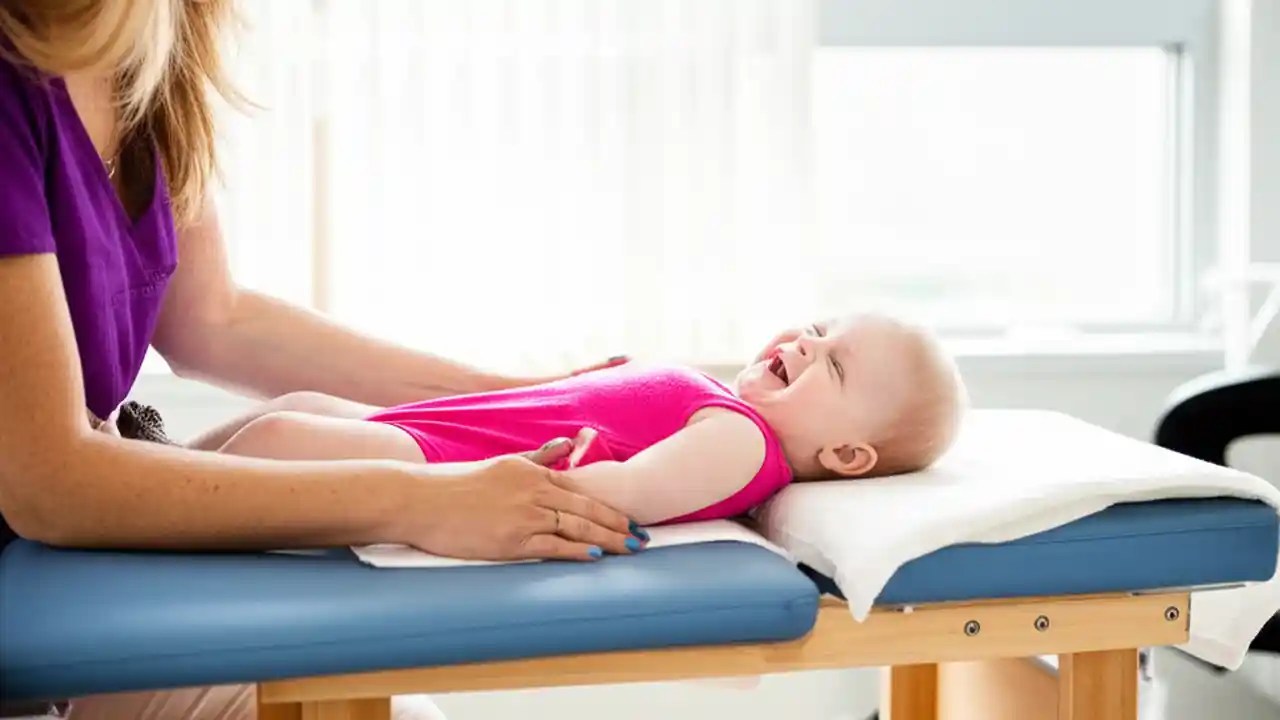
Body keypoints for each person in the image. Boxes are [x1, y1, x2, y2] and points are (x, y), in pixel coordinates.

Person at [0, 1, 645, 718]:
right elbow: (47, 481)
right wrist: (420, 502)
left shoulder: (149, 53)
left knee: (303, 433)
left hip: (71, 569)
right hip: (36, 587)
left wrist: (505, 397)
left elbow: (214, 320)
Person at [210, 313, 968, 526]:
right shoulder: (729, 406)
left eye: (832, 364)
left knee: (282, 437)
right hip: (448, 423)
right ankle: (153, 467)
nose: (806, 342)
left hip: (456, 459)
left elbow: (627, 491)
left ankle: (149, 519)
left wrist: (578, 476)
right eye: (819, 328)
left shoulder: (746, 442)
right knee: (294, 411)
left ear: (844, 456)